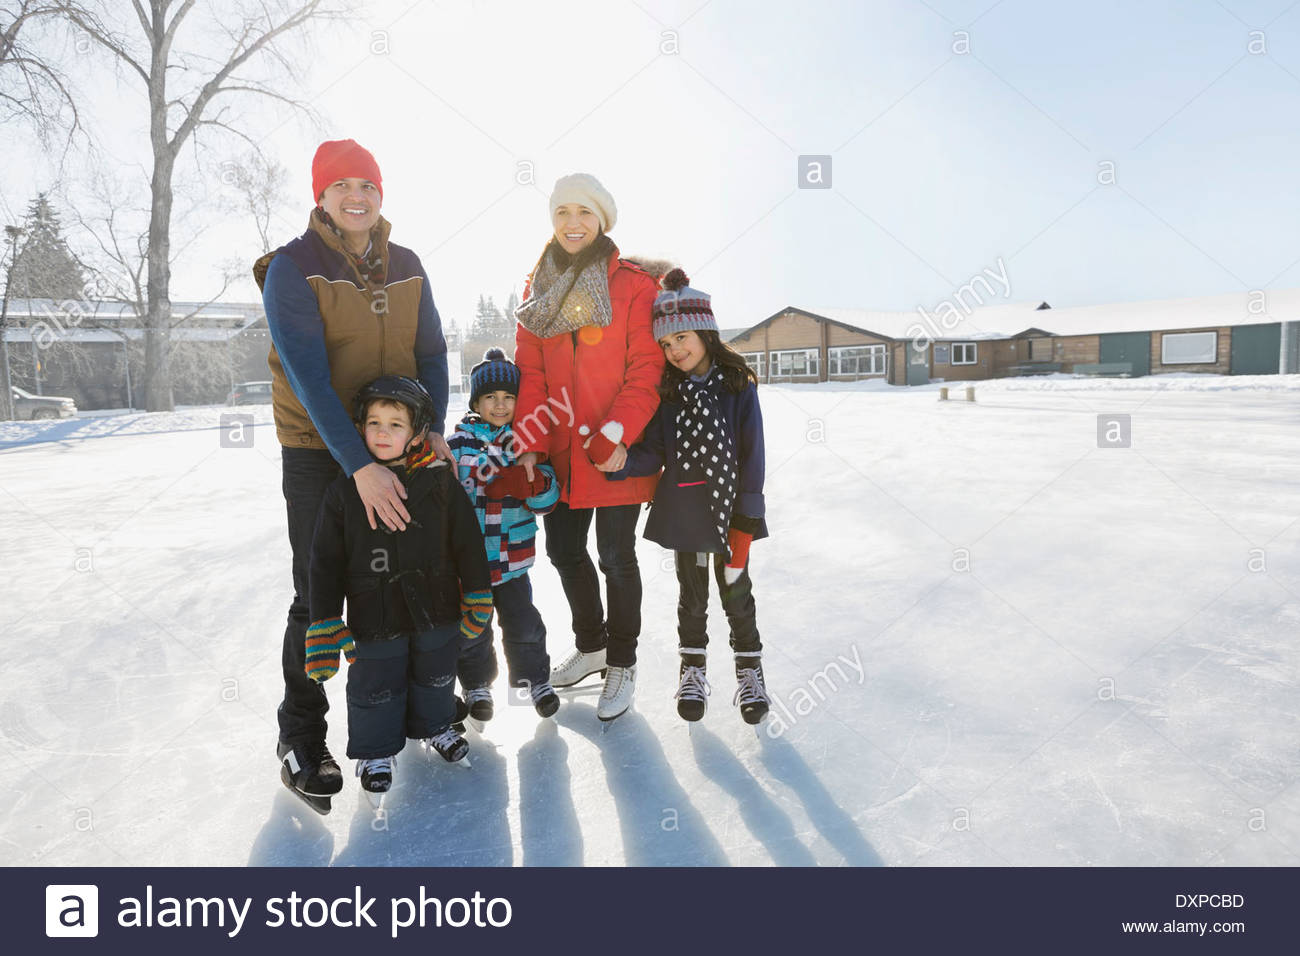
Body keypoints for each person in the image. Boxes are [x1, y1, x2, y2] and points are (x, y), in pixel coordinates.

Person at [254, 139, 452, 810]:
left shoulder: (409, 266)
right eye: (341, 185)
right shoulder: (292, 268)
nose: (356, 195)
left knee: (408, 573)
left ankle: (418, 705)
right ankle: (302, 736)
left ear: (380, 193)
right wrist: (359, 464)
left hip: (397, 445)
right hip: (318, 447)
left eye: (366, 182)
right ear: (321, 197)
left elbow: (431, 353)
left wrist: (433, 431)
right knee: (319, 592)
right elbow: (308, 379)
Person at [512, 172, 662, 723]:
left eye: (583, 212)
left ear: (602, 219)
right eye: (561, 213)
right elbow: (530, 370)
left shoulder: (632, 286)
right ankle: (593, 645)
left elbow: (646, 370)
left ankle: (622, 660)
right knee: (565, 552)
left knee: (617, 556)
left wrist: (618, 432)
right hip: (560, 454)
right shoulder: (539, 286)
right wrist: (529, 441)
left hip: (614, 451)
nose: (572, 223)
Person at [306, 376, 492, 801]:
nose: (383, 432)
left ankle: (438, 725)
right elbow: (325, 562)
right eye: (374, 423)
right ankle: (375, 752)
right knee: (376, 681)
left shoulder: (440, 482)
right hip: (375, 613)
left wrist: (478, 592)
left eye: (395, 424)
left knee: (436, 674)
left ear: (416, 432)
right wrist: (324, 619)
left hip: (437, 605)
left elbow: (467, 540)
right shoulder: (344, 491)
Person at [608, 270, 770, 724]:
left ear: (705, 332)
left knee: (737, 592)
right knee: (692, 597)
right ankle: (693, 670)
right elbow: (656, 452)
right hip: (685, 514)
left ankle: (749, 673)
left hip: (732, 512)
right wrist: (623, 463)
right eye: (665, 344)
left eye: (681, 337)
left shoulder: (737, 386)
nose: (675, 350)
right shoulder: (670, 393)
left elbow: (752, 455)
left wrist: (748, 516)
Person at [447, 349, 562, 723]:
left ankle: (536, 679)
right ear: (476, 402)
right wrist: (479, 477)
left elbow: (549, 497)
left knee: (523, 623)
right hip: (470, 561)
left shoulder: (526, 443)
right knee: (473, 627)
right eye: (490, 398)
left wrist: (533, 484)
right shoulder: (458, 442)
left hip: (513, 558)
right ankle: (477, 684)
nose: (500, 405)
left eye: (508, 397)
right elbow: (446, 489)